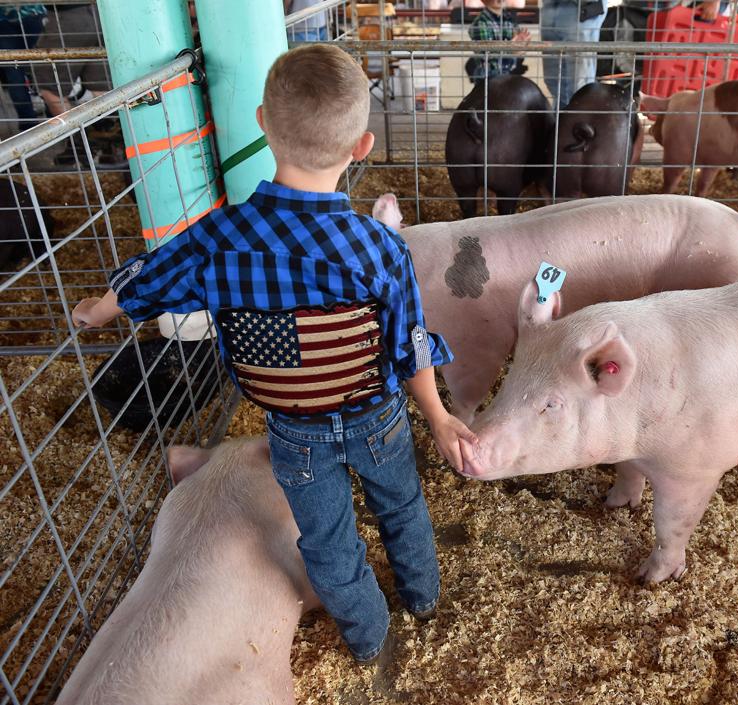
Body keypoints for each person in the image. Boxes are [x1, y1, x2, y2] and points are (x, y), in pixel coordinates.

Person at [72, 45, 476, 667]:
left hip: (295, 429)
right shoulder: (377, 247)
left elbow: (148, 280)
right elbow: (409, 342)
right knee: (400, 504)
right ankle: (422, 598)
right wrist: (439, 416)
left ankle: (368, 636)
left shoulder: (219, 236)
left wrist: (99, 309)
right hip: (378, 418)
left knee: (327, 538)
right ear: (362, 146)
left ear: (262, 121)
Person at [540, 0, 606, 108]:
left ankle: (575, 121)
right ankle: (561, 121)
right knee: (554, 82)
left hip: (581, 10)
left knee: (580, 88)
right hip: (550, 9)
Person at [0, 3, 46, 132]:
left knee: (44, 68)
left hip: (31, 15)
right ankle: (29, 125)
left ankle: (53, 119)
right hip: (7, 22)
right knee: (15, 75)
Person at [465, 0, 531, 81]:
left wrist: (520, 48)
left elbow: (517, 52)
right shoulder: (480, 23)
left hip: (509, 71)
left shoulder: (510, 20)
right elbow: (487, 53)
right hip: (487, 75)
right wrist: (511, 49)